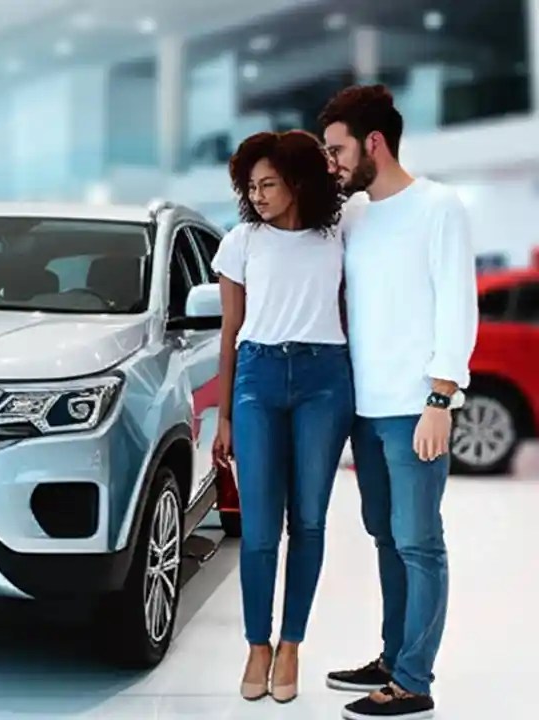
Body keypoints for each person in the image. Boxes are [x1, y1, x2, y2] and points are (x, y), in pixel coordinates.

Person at [319, 85, 478, 720]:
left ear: (373, 144)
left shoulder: (438, 206)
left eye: (337, 150)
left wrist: (442, 397)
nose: (331, 162)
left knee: (419, 543)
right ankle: (391, 656)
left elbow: (457, 307)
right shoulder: (353, 217)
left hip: (417, 407)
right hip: (365, 406)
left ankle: (414, 681)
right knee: (386, 537)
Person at [211, 130, 352, 704]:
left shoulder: (338, 234)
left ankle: (292, 643)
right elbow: (229, 331)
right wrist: (223, 415)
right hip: (257, 380)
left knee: (310, 522)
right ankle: (257, 645)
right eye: (252, 186)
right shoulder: (241, 242)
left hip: (325, 378)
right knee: (260, 529)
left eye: (269, 183)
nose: (260, 195)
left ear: (297, 181)